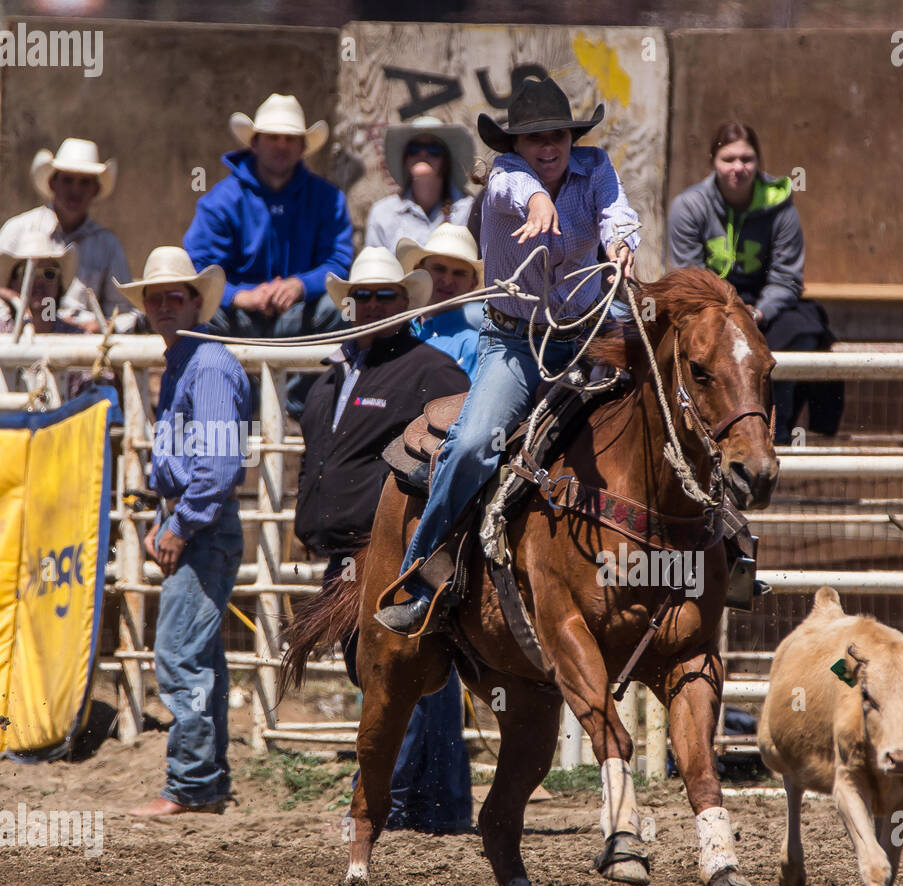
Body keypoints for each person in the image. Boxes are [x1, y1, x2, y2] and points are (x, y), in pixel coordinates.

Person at [375, 77, 639, 635]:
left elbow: (617, 213)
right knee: (472, 444)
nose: (549, 146)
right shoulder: (505, 176)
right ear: (515, 145)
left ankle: (713, 552)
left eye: (558, 135)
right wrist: (540, 199)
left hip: (587, 334)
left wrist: (619, 245)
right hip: (516, 343)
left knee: (671, 400)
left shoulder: (596, 169)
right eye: (535, 137)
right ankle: (422, 576)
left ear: (573, 137)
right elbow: (515, 191)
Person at [295, 246, 473, 832]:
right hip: (344, 550)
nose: (370, 306)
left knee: (392, 671)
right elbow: (319, 457)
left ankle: (387, 803)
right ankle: (439, 805)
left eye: (383, 297)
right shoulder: (335, 375)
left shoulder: (431, 371)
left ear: (405, 303)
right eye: (362, 297)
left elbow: (452, 454)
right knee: (387, 670)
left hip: (391, 549)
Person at [114, 248, 252, 817]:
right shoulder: (188, 362)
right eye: (157, 297)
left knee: (178, 654)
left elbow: (217, 466)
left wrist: (178, 524)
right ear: (147, 306)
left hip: (203, 526)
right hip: (198, 522)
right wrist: (168, 518)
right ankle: (206, 778)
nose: (166, 305)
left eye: (177, 296)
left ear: (197, 302)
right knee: (198, 654)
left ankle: (192, 783)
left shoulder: (206, 364)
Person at [667, 120, 842, 445]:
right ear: (713, 162)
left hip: (763, 306)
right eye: (728, 159)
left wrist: (756, 314)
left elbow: (787, 278)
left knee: (805, 331)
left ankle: (779, 430)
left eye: (746, 159)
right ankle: (702, 434)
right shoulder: (689, 207)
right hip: (710, 303)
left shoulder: (779, 206)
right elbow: (688, 276)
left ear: (758, 162)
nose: (738, 168)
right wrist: (726, 311)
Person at [182, 93, 352, 415]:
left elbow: (339, 262)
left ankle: (308, 412)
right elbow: (199, 267)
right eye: (273, 137)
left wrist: (299, 286)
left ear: (302, 147)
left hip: (300, 314)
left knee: (341, 307)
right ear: (255, 143)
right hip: (238, 317)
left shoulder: (327, 198)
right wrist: (238, 296)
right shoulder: (221, 200)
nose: (281, 146)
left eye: (290, 139)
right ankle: (218, 407)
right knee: (200, 310)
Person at [0, 137, 137, 331]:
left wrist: (104, 326)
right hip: (20, 336)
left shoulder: (107, 244)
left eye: (84, 182)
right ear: (52, 183)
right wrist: (14, 300)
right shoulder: (19, 228)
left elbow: (123, 312)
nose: (75, 190)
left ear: (95, 189)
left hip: (84, 350)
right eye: (68, 180)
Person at [365, 118, 475, 252]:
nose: (423, 154)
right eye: (414, 148)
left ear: (446, 161)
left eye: (434, 149)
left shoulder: (469, 210)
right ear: (405, 160)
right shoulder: (382, 213)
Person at [396, 223, 484, 380]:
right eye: (439, 269)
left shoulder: (473, 346)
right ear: (419, 271)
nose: (448, 280)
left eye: (459, 273)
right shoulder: (397, 331)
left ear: (473, 284)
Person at [0, 232, 81, 336]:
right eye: (27, 273)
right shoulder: (2, 333)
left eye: (49, 274)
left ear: (59, 283)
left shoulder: (75, 337)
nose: (39, 282)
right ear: (12, 282)